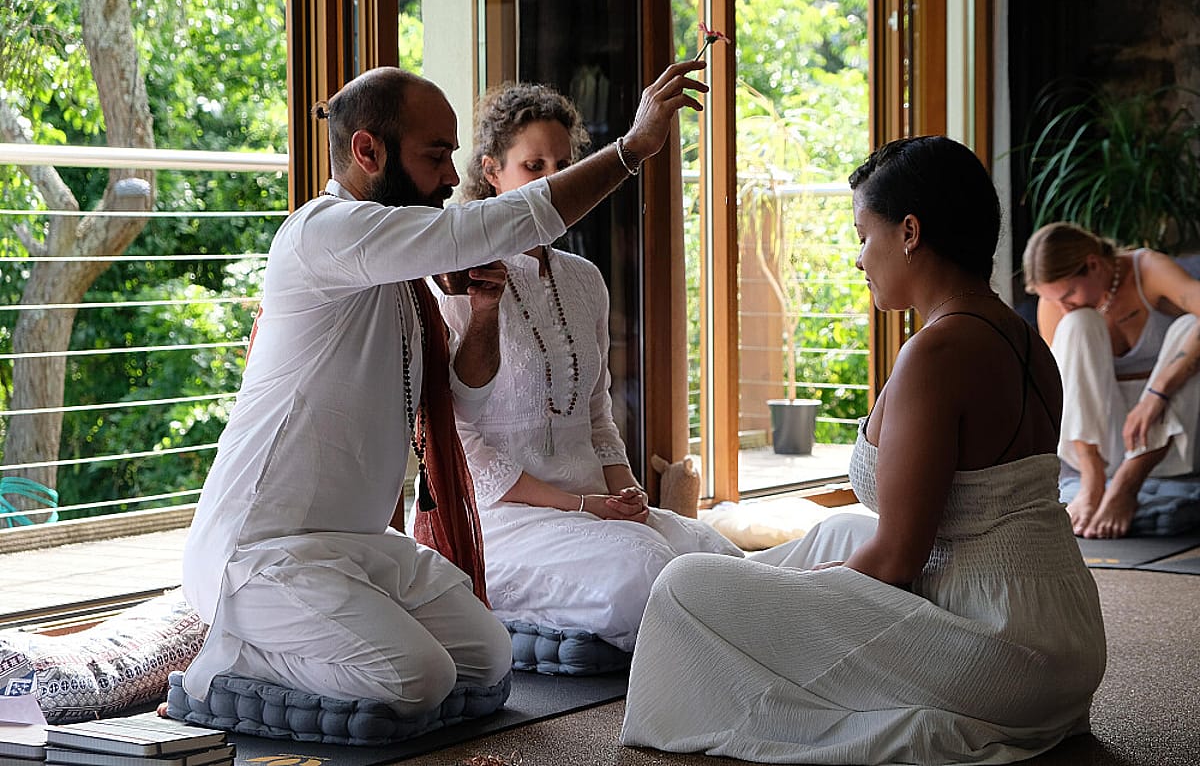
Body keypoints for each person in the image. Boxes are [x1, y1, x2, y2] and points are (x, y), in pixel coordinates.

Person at [179, 61, 707, 714]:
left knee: (488, 660)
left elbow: (467, 400)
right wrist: (629, 151)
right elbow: (489, 225)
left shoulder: (400, 274)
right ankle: (221, 665)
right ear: (367, 151)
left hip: (362, 543)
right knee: (418, 677)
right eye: (435, 156)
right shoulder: (323, 233)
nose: (451, 176)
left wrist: (483, 313)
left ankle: (286, 645)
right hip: (262, 549)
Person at [619, 135, 1106, 764]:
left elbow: (899, 559)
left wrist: (839, 584)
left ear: (909, 231)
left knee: (683, 584)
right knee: (840, 529)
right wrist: (834, 574)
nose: (858, 259)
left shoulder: (936, 353)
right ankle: (742, 577)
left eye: (861, 235)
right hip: (1064, 634)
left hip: (1002, 650)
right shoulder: (1023, 336)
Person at [433, 83, 741, 652]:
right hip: (505, 523)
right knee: (650, 572)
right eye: (533, 166)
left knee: (713, 552)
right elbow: (462, 445)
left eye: (562, 165)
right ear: (490, 172)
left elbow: (596, 412)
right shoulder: (454, 276)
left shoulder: (583, 279)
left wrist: (625, 495)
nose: (553, 181)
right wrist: (584, 506)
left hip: (595, 508)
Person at [1023, 222, 1200, 538]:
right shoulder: (1058, 306)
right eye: (1055, 300)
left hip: (1170, 442)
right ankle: (1091, 483)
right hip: (1102, 447)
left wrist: (1155, 395)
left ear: (1092, 264)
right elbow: (1062, 388)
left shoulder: (1147, 269)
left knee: (1189, 326)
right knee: (1077, 324)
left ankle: (1126, 485)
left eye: (1068, 294)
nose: (1063, 307)